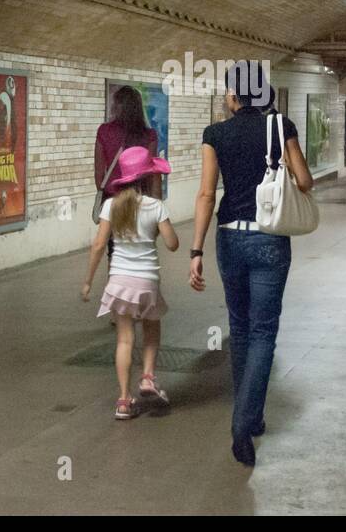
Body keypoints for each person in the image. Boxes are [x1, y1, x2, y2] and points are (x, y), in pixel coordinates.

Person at [189, 61, 314, 467]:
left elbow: (207, 194)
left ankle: (248, 415)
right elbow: (305, 180)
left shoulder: (216, 134)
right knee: (263, 333)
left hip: (229, 237)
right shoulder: (281, 127)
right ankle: (244, 423)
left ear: (233, 96)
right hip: (270, 239)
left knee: (240, 329)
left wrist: (195, 251)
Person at [81, 146, 178, 419]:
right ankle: (147, 377)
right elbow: (172, 244)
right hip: (147, 282)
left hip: (118, 282)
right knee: (151, 332)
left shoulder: (111, 206)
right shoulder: (156, 207)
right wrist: (159, 220)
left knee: (124, 339)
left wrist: (88, 281)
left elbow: (99, 244)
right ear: (147, 177)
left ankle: (123, 400)